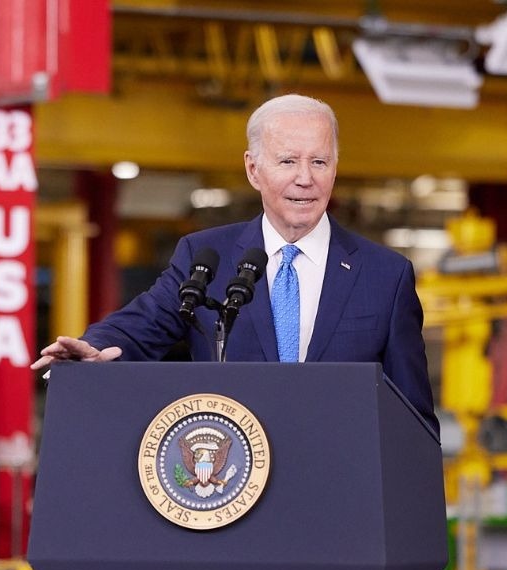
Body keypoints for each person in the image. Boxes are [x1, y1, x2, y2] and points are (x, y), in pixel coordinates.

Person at [31, 94, 437, 436]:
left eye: (319, 162)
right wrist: (93, 349)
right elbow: (141, 325)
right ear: (253, 169)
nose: (305, 178)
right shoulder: (206, 257)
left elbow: (414, 419)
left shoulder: (386, 275)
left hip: (341, 495)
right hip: (230, 491)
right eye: (287, 161)